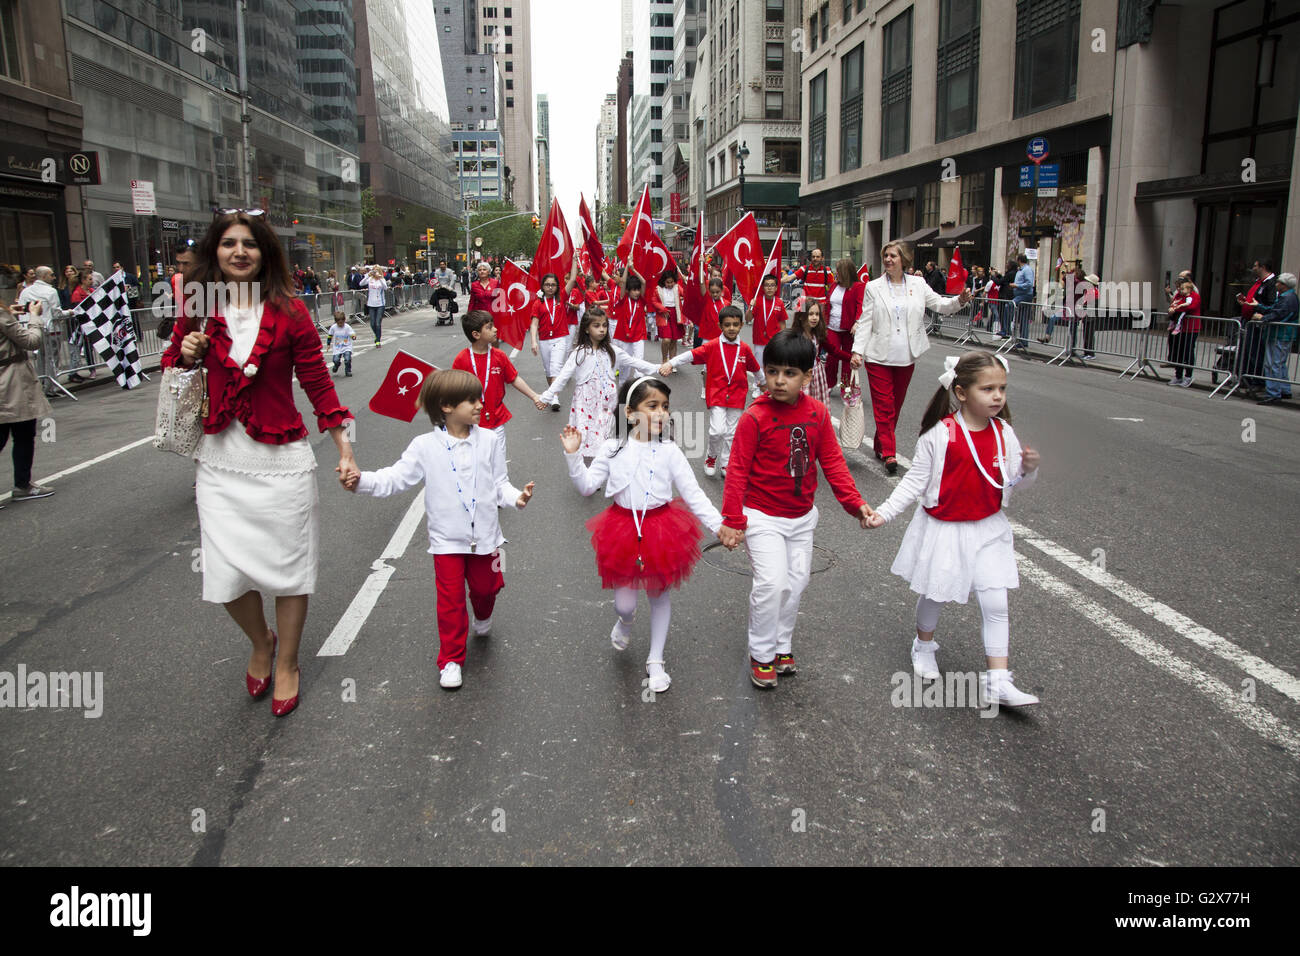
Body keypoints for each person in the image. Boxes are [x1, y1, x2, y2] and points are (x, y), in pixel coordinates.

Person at [160, 210, 357, 718]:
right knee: (225, 576)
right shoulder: (199, 307)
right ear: (215, 251)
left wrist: (344, 448)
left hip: (282, 463)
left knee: (290, 571)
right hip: (220, 462)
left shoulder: (290, 311)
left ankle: (287, 661)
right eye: (229, 243)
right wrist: (184, 351)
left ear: (265, 253)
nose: (240, 251)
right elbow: (172, 367)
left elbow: (318, 382)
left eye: (250, 243)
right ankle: (260, 640)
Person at [864, 351, 1041, 708]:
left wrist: (1028, 470)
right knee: (935, 593)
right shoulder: (940, 435)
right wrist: (883, 513)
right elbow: (914, 482)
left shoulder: (1004, 432)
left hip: (989, 529)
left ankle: (998, 681)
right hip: (945, 528)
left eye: (1002, 389)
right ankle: (924, 644)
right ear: (961, 393)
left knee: (995, 601)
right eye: (987, 388)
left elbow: (1012, 482)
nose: (997, 397)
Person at [343, 369, 534, 690]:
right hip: (446, 541)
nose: (479, 404)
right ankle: (450, 659)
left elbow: (500, 483)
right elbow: (395, 478)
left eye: (479, 398)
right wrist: (360, 482)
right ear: (446, 406)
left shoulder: (488, 439)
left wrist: (518, 497)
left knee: (486, 589)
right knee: (450, 601)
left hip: (486, 537)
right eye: (471, 400)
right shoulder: (424, 446)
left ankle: (483, 616)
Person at [720, 330, 873, 689]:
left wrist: (856, 505)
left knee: (796, 583)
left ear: (807, 377)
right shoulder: (753, 418)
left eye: (789, 373)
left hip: (802, 519)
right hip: (761, 517)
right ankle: (761, 653)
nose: (778, 380)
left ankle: (781, 644)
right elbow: (738, 470)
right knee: (772, 583)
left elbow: (833, 464)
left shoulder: (817, 414)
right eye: (772, 371)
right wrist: (732, 520)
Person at [562, 376, 727, 693]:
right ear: (629, 412)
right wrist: (573, 456)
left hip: (662, 531)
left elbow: (693, 495)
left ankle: (656, 659)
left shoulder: (670, 451)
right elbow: (586, 488)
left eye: (665, 407)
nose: (661, 413)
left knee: (658, 595)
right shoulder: (612, 448)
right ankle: (625, 622)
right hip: (622, 529)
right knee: (625, 604)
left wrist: (719, 525)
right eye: (652, 406)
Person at [849, 241, 971, 475]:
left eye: (893, 255)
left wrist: (960, 301)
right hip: (878, 357)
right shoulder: (873, 287)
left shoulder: (918, 283)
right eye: (885, 255)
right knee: (884, 406)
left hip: (906, 356)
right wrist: (858, 351)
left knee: (895, 405)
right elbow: (865, 321)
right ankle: (890, 453)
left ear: (903, 259)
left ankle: (880, 443)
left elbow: (940, 305)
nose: (888, 259)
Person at [538, 305, 662, 459]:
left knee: (606, 437)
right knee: (585, 438)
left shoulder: (612, 350)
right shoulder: (579, 353)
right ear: (586, 329)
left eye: (604, 325)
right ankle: (588, 477)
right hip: (585, 404)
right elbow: (563, 376)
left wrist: (659, 368)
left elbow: (634, 362)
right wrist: (547, 396)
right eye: (596, 326)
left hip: (607, 402)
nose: (602, 329)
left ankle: (603, 471)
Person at [663, 304, 760, 479]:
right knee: (717, 431)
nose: (731, 328)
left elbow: (756, 369)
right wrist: (671, 363)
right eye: (728, 324)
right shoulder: (713, 346)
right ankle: (711, 457)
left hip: (737, 396)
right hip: (717, 394)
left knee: (731, 432)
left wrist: (764, 383)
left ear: (741, 326)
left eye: (735, 324)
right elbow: (691, 355)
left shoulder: (744, 349)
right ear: (720, 326)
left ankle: (726, 462)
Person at [451, 310, 547, 461]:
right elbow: (453, 389)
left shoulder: (499, 356)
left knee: (498, 459)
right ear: (476, 334)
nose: (495, 329)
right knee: (474, 461)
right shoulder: (462, 359)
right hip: (471, 422)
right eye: (489, 327)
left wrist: (535, 396)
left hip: (496, 419)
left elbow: (514, 379)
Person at [0, 298, 55, 504]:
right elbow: (31, 341)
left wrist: (10, 314)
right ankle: (23, 485)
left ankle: (23, 483)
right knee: (22, 433)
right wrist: (34, 317)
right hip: (11, 380)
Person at [16, 267, 64, 398]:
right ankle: (50, 387)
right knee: (51, 358)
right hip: (50, 329)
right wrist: (70, 313)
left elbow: (21, 311)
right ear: (43, 276)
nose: (54, 278)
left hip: (32, 328)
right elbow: (57, 313)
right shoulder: (51, 291)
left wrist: (25, 327)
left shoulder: (25, 291)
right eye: (52, 275)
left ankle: (42, 384)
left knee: (39, 359)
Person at [791, 299, 848, 407]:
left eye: (817, 314)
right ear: (801, 316)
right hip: (801, 377)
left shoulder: (818, 335)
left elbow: (834, 351)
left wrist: (851, 358)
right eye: (810, 314)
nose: (814, 317)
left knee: (817, 407)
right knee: (802, 407)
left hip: (817, 375)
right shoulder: (794, 337)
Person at [1252, 272, 1297, 405]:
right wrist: (1258, 306)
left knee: (1273, 364)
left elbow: (1278, 314)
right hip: (1282, 334)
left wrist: (1262, 317)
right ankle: (1284, 390)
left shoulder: (1288, 298)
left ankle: (1273, 393)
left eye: (1278, 282)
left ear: (1284, 285)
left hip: (1280, 334)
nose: (1276, 284)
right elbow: (1274, 310)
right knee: (1279, 363)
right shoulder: (1288, 297)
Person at [1237, 258, 1277, 394]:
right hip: (1249, 322)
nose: (1253, 268)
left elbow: (1272, 305)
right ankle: (1248, 378)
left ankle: (1258, 381)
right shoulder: (1259, 282)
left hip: (1259, 325)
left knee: (1257, 353)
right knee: (1248, 351)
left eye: (1255, 266)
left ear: (1263, 267)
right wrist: (1246, 304)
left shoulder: (1271, 284)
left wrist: (1259, 311)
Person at [529, 269, 571, 397]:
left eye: (553, 285)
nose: (550, 287)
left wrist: (575, 260)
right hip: (544, 340)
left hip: (560, 338)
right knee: (548, 371)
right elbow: (534, 324)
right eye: (547, 285)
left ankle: (555, 398)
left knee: (555, 369)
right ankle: (553, 393)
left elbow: (573, 279)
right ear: (543, 286)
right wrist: (533, 341)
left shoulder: (561, 297)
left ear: (557, 286)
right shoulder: (538, 303)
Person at [825, 257, 864, 395]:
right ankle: (829, 384)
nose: (836, 273)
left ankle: (845, 387)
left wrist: (857, 322)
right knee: (831, 359)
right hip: (832, 327)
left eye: (838, 271)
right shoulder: (834, 285)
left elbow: (861, 306)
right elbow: (828, 303)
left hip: (848, 330)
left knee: (848, 361)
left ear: (846, 272)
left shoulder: (858, 287)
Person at [748, 272, 788, 397]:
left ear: (776, 288)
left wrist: (783, 339)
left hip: (775, 341)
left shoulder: (779, 303)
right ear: (763, 287)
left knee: (773, 365)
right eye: (767, 285)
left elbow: (782, 323)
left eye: (772, 285)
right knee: (759, 365)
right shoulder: (758, 301)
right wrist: (750, 307)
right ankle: (758, 387)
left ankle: (771, 388)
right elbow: (748, 319)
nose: (769, 288)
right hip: (759, 339)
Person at [609, 265, 661, 363]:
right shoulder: (623, 299)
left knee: (639, 359)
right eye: (634, 290)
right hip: (625, 334)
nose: (637, 292)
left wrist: (633, 269)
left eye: (638, 290)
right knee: (626, 361)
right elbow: (623, 282)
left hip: (639, 334)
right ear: (628, 291)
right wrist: (627, 266)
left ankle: (638, 377)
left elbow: (644, 282)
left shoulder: (641, 300)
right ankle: (623, 378)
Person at [1167, 278, 1202, 387]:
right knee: (1178, 352)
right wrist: (1172, 309)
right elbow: (1173, 304)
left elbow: (1191, 307)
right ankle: (1178, 376)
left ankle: (1188, 376)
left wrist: (1176, 309)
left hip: (1191, 328)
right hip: (1178, 329)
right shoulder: (1178, 296)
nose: (1179, 290)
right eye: (1178, 288)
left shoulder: (1194, 296)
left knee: (1188, 351)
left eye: (1181, 287)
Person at [781, 248, 836, 315]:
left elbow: (832, 288)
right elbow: (789, 278)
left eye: (818, 257)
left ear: (822, 258)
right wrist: (774, 281)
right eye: (813, 257)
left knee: (820, 325)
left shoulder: (827, 271)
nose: (815, 258)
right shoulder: (804, 269)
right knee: (803, 324)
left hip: (821, 306)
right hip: (805, 305)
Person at [655, 270, 684, 364]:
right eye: (668, 282)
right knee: (666, 339)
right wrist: (662, 309)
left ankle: (671, 362)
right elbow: (654, 301)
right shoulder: (658, 289)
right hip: (664, 315)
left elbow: (686, 294)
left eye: (672, 282)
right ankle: (664, 359)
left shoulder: (677, 287)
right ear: (664, 281)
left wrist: (685, 281)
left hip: (676, 314)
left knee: (674, 340)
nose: (670, 284)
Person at [364, 265, 388, 346]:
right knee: (372, 324)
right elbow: (361, 283)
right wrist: (368, 274)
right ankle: (377, 334)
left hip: (380, 304)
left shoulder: (382, 279)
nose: (375, 272)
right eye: (374, 270)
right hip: (371, 304)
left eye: (377, 270)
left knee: (378, 323)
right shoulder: (370, 279)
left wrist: (380, 278)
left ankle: (378, 340)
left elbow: (385, 288)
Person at [328, 310, 356, 376]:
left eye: (342, 323)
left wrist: (353, 337)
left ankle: (348, 371)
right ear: (336, 321)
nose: (340, 324)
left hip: (347, 346)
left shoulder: (347, 327)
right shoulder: (333, 327)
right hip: (337, 347)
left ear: (344, 320)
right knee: (336, 360)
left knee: (347, 359)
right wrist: (328, 344)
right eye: (339, 323)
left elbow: (352, 333)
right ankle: (336, 365)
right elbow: (330, 336)